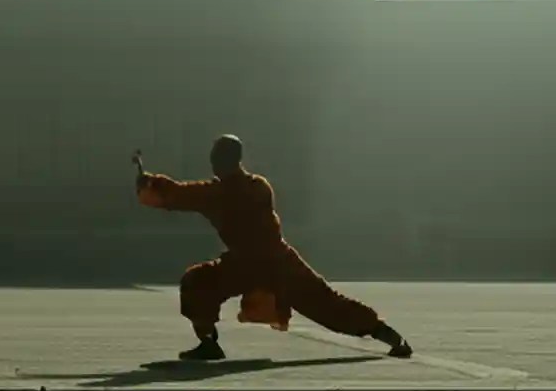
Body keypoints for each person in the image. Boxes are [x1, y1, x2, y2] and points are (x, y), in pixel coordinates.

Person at [134, 135, 413, 361]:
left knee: (327, 303)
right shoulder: (242, 188)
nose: (215, 164)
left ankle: (385, 332)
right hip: (251, 262)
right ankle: (208, 343)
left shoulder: (241, 190)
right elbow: (183, 193)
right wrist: (153, 184)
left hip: (273, 261)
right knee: (197, 282)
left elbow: (182, 194)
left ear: (230, 161)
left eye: (218, 159)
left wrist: (152, 185)